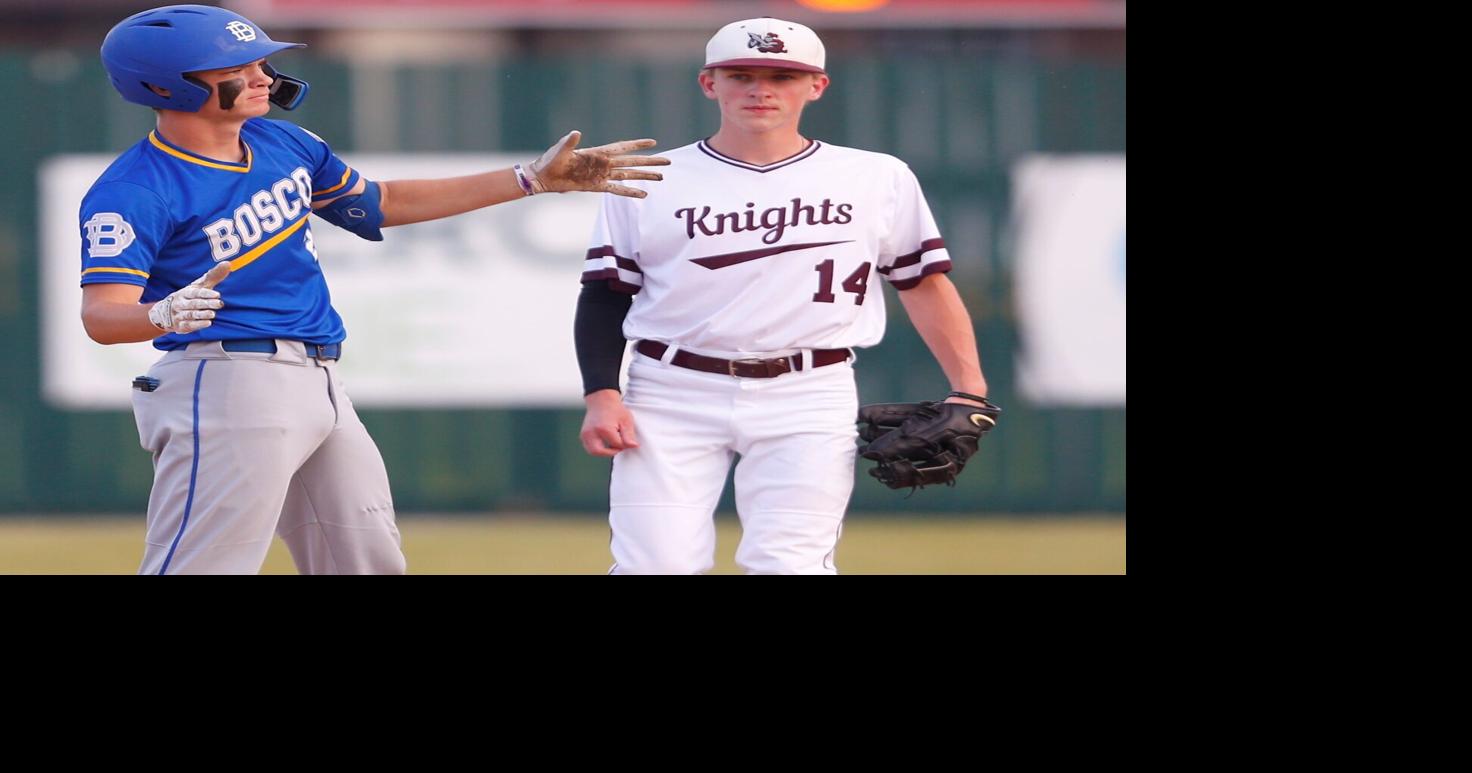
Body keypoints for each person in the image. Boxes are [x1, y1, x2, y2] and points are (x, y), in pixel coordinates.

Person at [80, 4, 668, 574]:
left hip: (318, 378)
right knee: (205, 563)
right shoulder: (134, 190)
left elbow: (380, 203)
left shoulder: (285, 144)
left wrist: (530, 180)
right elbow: (102, 318)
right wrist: (163, 312)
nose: (262, 77)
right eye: (237, 68)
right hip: (223, 379)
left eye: (261, 62)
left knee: (368, 562)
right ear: (166, 87)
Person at [574, 17, 994, 575]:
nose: (760, 89)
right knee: (654, 565)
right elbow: (606, 294)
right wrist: (601, 393)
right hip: (671, 391)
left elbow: (922, 281)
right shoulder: (651, 178)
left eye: (782, 75)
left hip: (810, 390)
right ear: (709, 83)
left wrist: (970, 389)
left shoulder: (875, 176)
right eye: (741, 74)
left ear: (816, 86)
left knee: (791, 565)